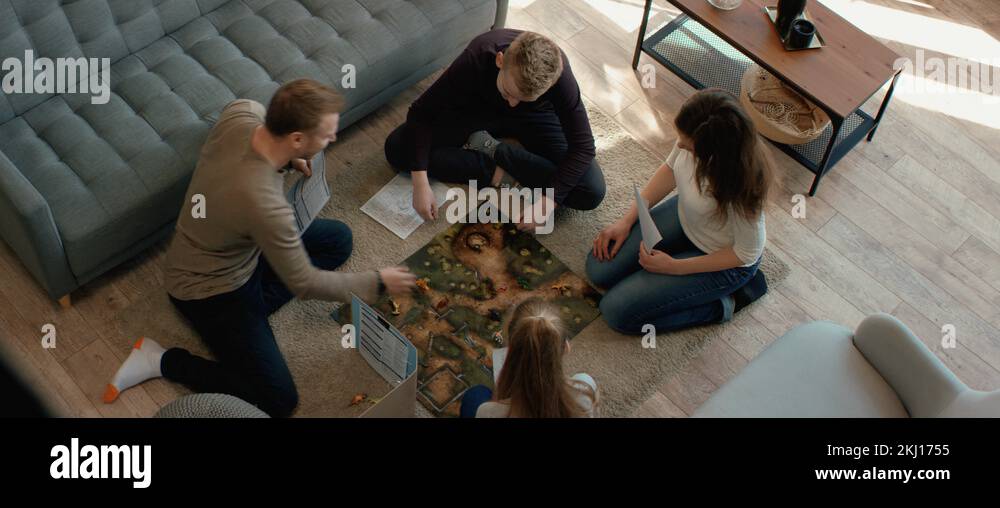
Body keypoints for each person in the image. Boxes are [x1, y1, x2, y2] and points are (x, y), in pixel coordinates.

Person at [104, 79, 416, 417]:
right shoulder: (265, 204)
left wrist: (288, 161)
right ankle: (164, 360)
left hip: (235, 251)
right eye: (326, 135)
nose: (333, 139)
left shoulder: (243, 114)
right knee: (278, 399)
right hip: (209, 291)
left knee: (337, 241)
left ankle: (250, 321)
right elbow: (307, 284)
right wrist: (379, 281)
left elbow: (242, 127)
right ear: (297, 138)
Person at [586, 89, 773, 334]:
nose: (680, 143)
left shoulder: (745, 188)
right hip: (689, 218)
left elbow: (746, 252)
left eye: (688, 145)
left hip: (725, 259)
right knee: (598, 269)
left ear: (713, 153)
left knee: (616, 312)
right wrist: (626, 220)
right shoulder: (693, 134)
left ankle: (724, 303)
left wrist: (674, 267)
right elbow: (670, 169)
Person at [384, 28, 606, 231]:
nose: (512, 103)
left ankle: (496, 150)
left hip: (535, 118)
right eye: (509, 91)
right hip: (478, 111)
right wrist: (420, 181)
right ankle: (491, 170)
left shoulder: (559, 75)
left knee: (591, 191)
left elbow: (583, 147)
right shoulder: (478, 55)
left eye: (524, 98)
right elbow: (421, 113)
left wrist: (548, 202)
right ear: (500, 61)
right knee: (397, 148)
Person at [460, 298, 598, 418]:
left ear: (509, 352)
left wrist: (500, 398)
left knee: (475, 394)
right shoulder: (585, 389)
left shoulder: (488, 412)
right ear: (566, 347)